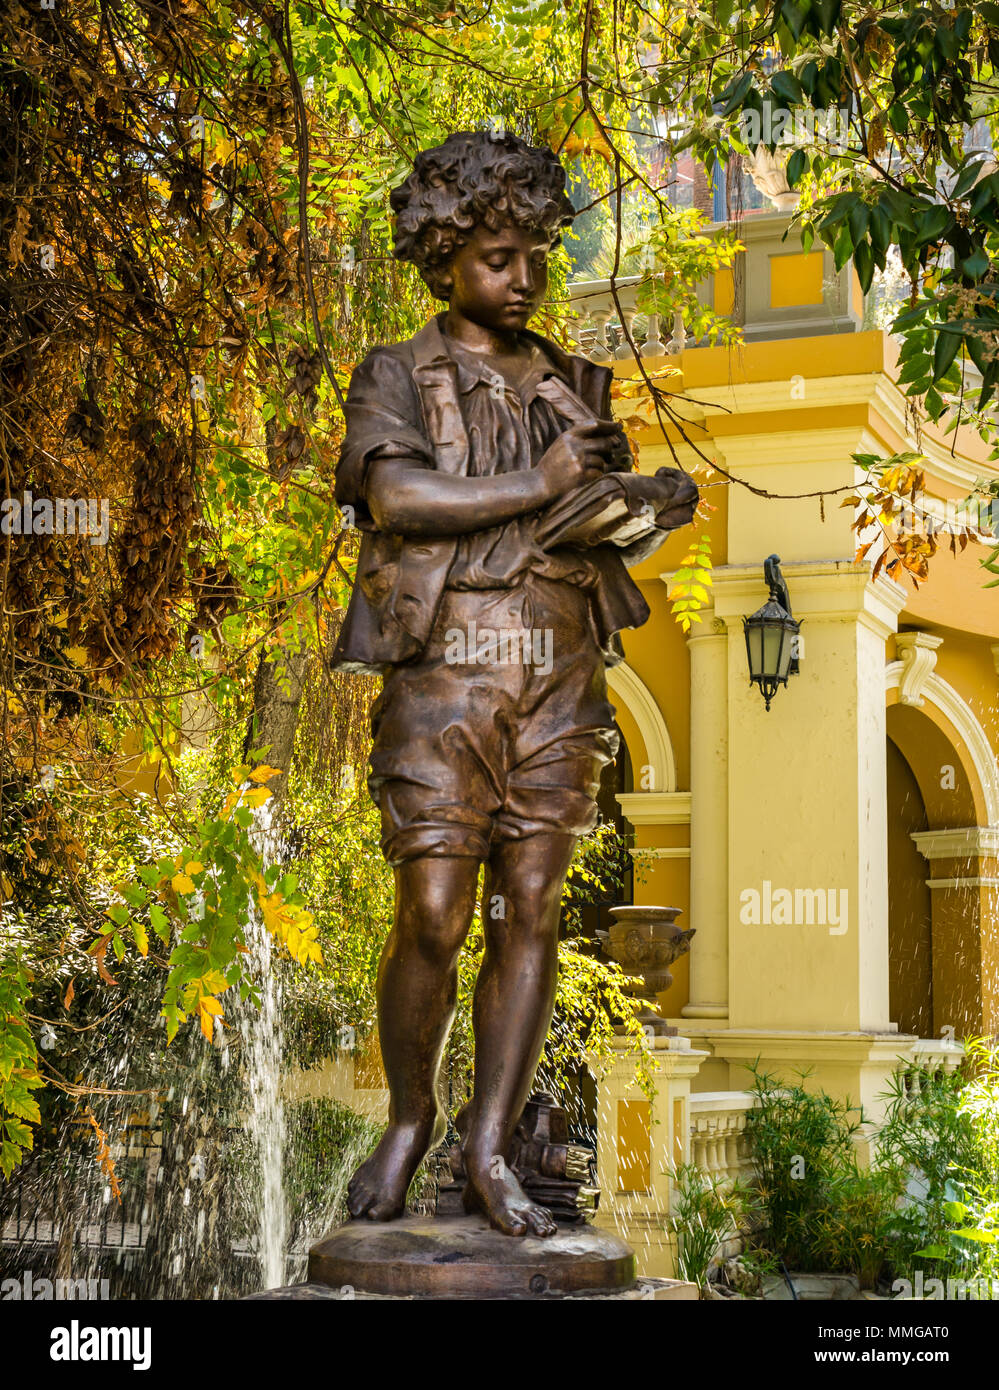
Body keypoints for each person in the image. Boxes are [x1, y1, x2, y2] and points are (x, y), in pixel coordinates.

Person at [330, 130, 698, 1237]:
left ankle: (488, 1144)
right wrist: (534, 481)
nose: (527, 276)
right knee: (436, 910)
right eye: (500, 255)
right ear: (445, 257)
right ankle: (408, 1116)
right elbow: (398, 502)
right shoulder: (396, 372)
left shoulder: (573, 382)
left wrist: (641, 501)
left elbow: (585, 517)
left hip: (559, 667)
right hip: (446, 672)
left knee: (530, 905)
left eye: (537, 251)